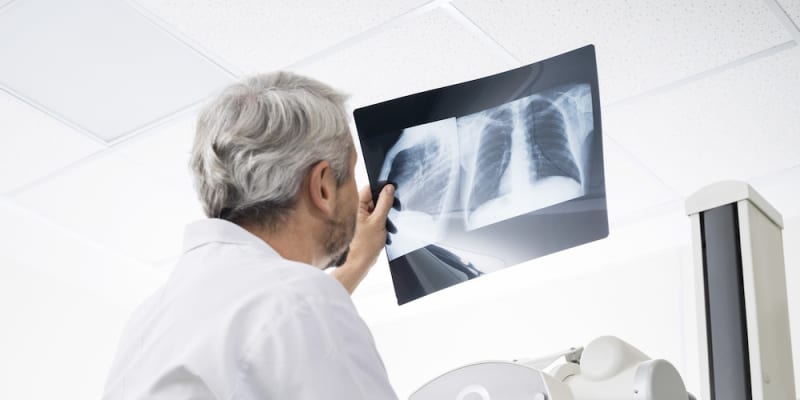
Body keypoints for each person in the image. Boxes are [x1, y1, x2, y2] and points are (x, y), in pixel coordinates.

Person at [102, 72, 399, 399]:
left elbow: (264, 333)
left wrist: (354, 264)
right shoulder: (303, 300)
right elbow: (286, 315)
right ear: (323, 186)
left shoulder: (149, 320)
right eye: (351, 171)